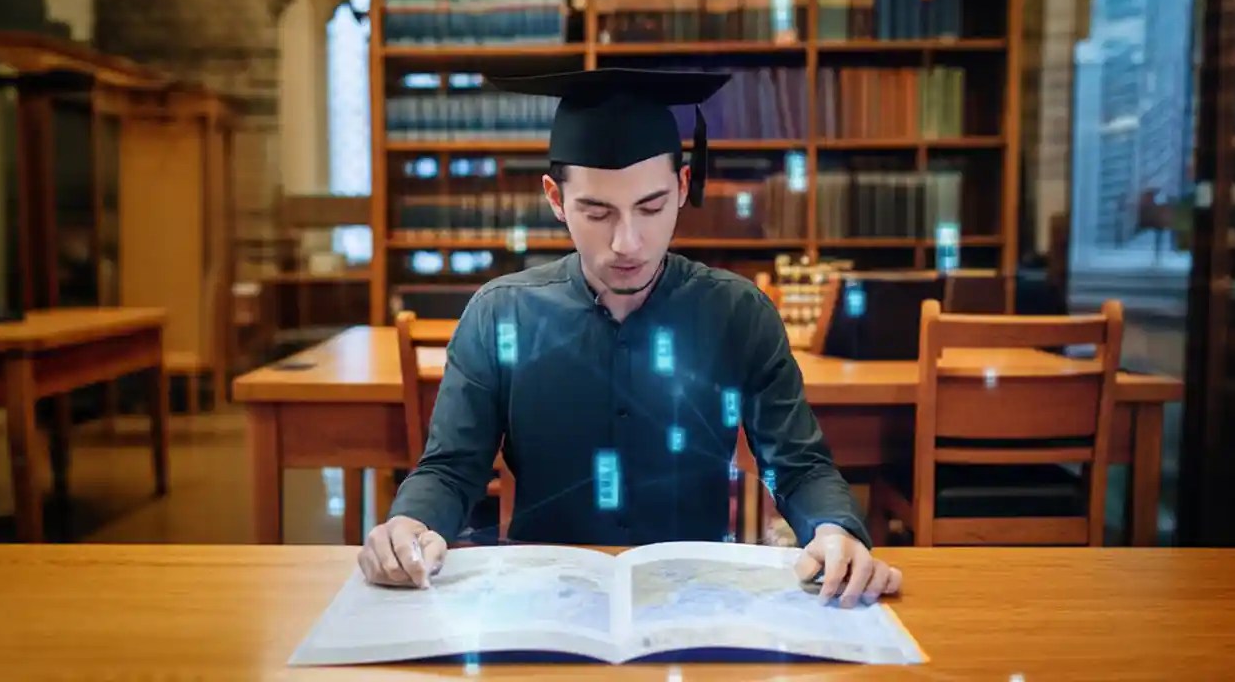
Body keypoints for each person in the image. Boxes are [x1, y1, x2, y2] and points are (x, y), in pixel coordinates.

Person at [358, 68, 902, 607]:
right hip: (542, 596)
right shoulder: (500, 314)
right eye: (596, 212)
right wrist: (410, 524)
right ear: (554, 198)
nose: (628, 243)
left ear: (684, 186)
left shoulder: (737, 313)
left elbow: (798, 465)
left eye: (651, 206)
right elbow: (452, 468)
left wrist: (834, 531)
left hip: (700, 597)